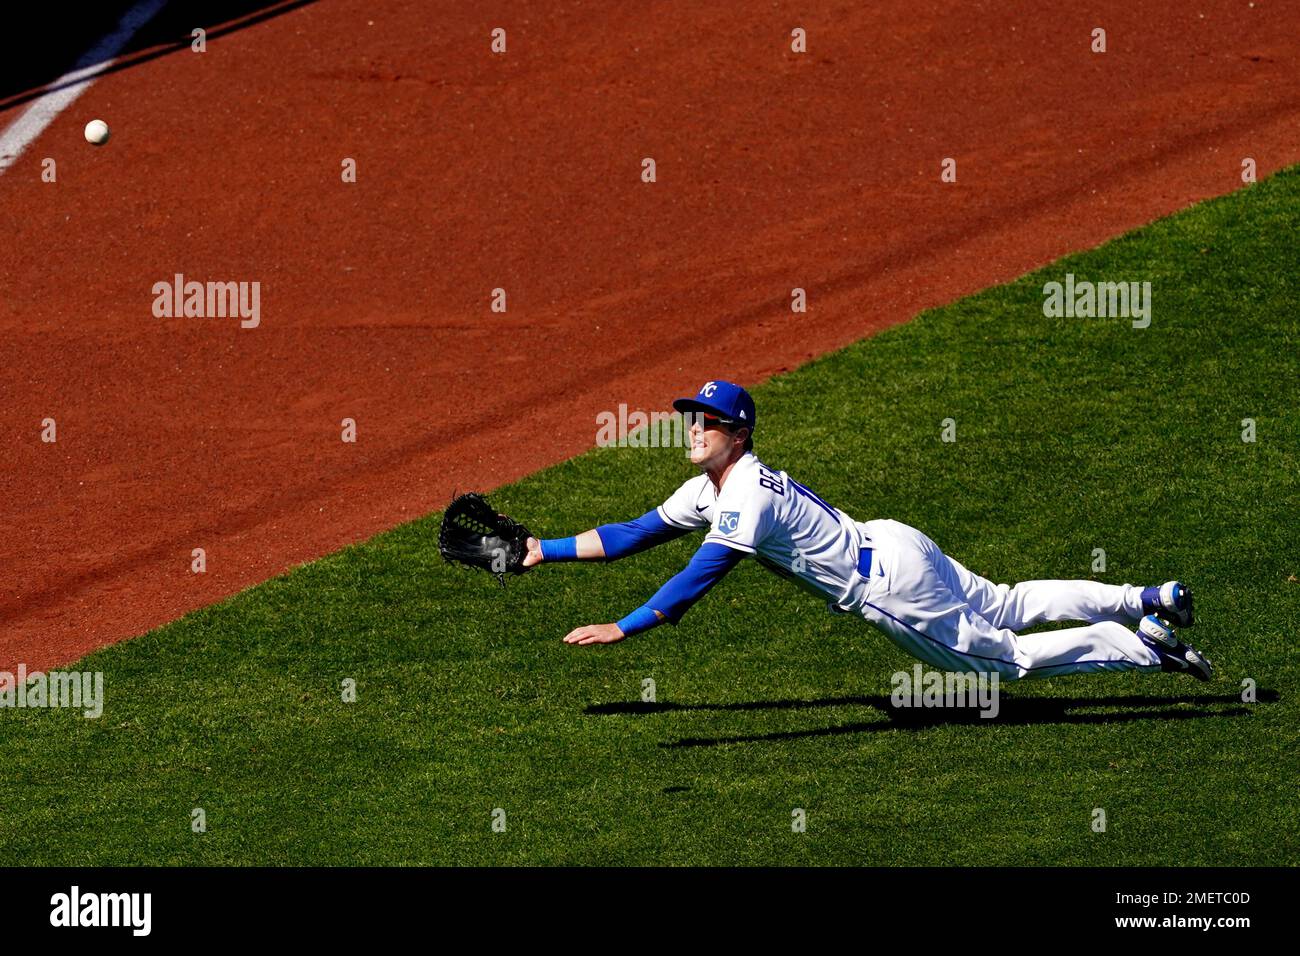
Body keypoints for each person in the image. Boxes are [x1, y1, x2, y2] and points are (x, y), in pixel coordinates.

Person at [522, 380, 1212, 682]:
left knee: (1004, 660)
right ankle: (1143, 595)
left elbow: (699, 575)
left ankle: (1144, 646)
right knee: (1002, 601)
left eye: (706, 422)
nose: (692, 429)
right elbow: (635, 534)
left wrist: (627, 625)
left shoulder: (743, 501)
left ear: (739, 435)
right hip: (895, 542)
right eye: (690, 418)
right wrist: (540, 551)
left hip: (884, 587)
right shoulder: (712, 488)